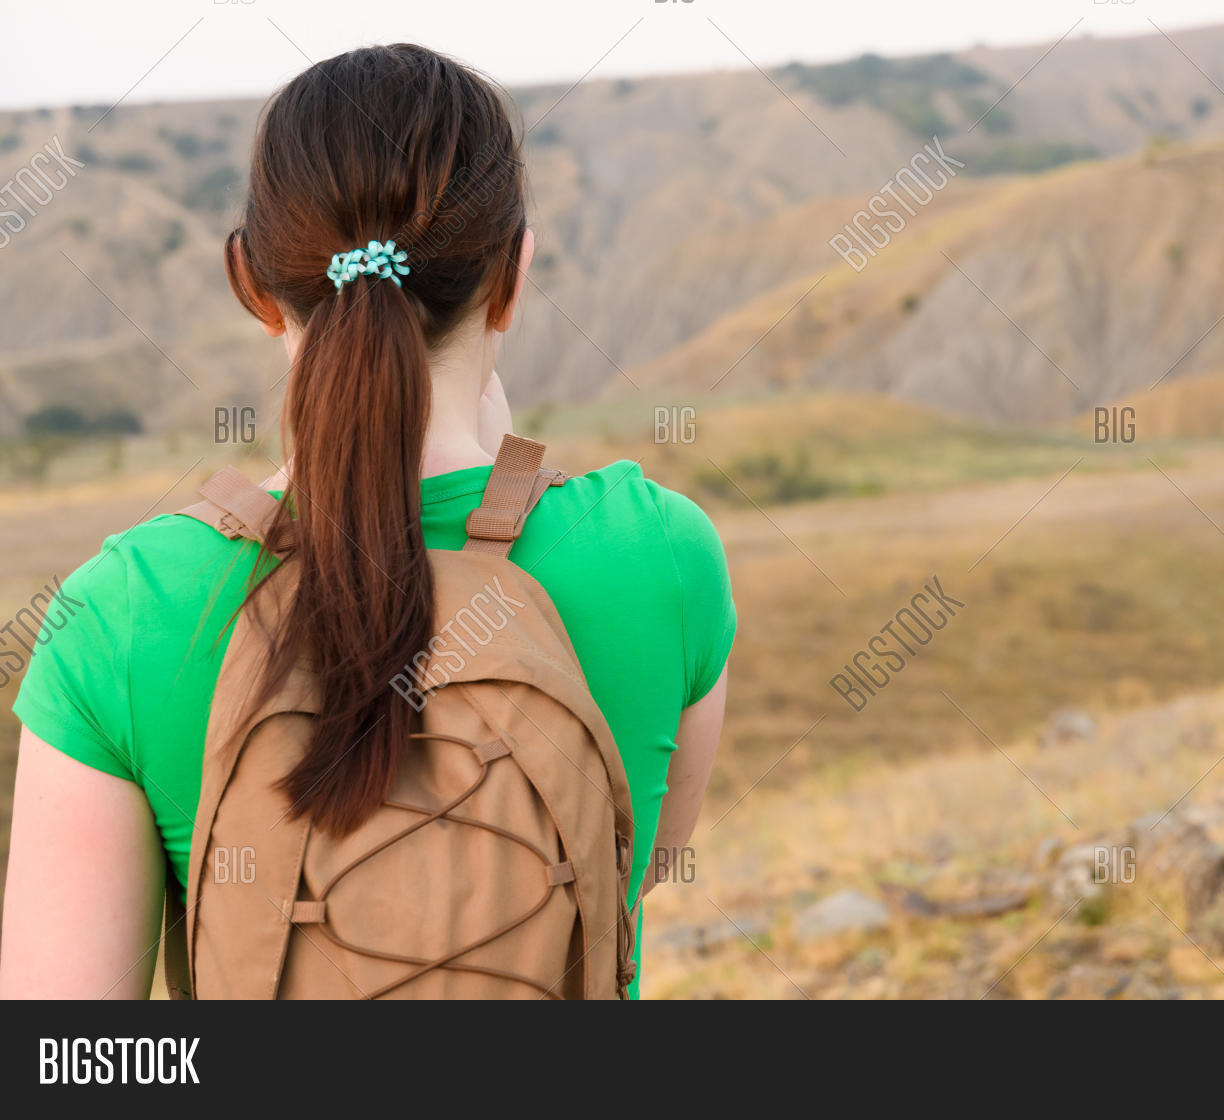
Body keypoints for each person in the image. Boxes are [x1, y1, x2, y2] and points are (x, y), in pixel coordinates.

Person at [0, 43, 734, 999]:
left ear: (252, 284)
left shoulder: (125, 607)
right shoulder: (661, 553)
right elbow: (626, 883)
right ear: (514, 272)